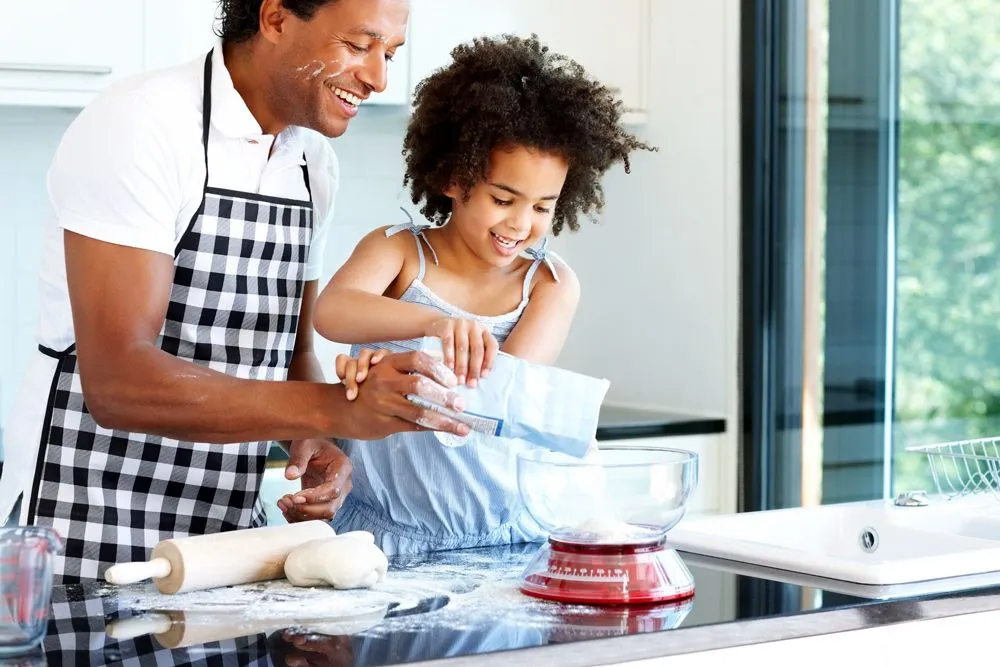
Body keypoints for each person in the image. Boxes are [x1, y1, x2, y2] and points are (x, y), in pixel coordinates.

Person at [0, 0, 472, 584]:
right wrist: (339, 408)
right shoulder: (142, 123)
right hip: (84, 522)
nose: (377, 77)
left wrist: (313, 438)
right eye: (358, 45)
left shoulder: (311, 165)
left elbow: (289, 354)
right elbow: (118, 383)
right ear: (275, 19)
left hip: (223, 541)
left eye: (390, 54)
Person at [310, 33, 656, 555]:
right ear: (454, 176)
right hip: (381, 535)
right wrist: (431, 325)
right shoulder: (399, 252)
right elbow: (332, 312)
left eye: (543, 207)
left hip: (502, 537)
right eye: (503, 198)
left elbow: (493, 398)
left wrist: (395, 362)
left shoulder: (548, 285)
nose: (520, 224)